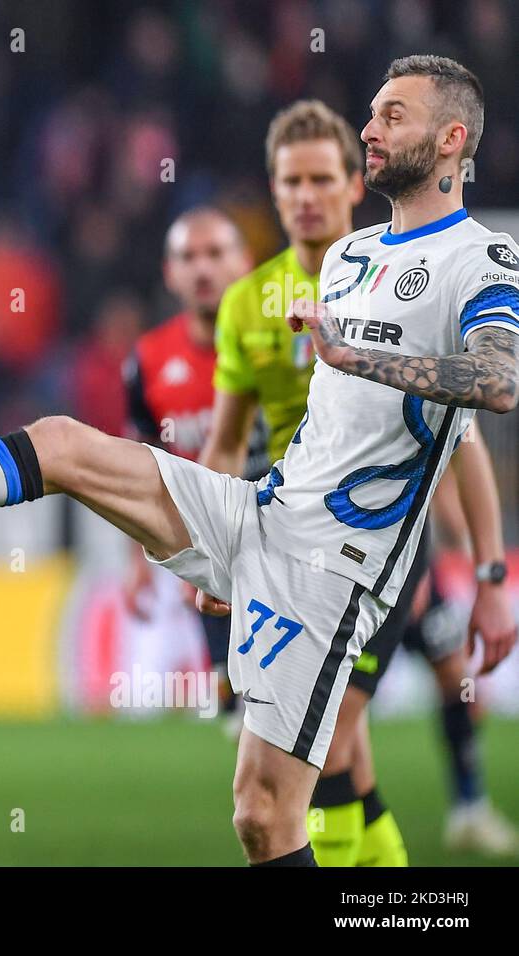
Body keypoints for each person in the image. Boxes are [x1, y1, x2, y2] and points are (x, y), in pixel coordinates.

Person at [0, 55, 519, 865]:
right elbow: (326, 434)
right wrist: (235, 555)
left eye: (394, 115)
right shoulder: (351, 259)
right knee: (67, 442)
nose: (372, 128)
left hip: (336, 572)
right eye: (374, 111)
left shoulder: (481, 260)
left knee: (264, 817)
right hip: (265, 517)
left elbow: (499, 380)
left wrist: (363, 362)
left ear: (452, 139)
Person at [200, 97, 517, 865]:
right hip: (286, 544)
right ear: (273, 192)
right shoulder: (246, 304)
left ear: (351, 184)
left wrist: (489, 569)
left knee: (329, 745)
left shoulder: (401, 277)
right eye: (288, 182)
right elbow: (225, 440)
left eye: (319, 180)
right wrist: (215, 548)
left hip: (374, 553)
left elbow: (465, 434)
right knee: (347, 761)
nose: (304, 198)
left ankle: (462, 809)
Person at [119, 207, 258, 723]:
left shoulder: (280, 343)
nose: (202, 269)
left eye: (215, 254)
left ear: (244, 262)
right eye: (188, 257)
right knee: (236, 713)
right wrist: (139, 563)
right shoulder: (148, 360)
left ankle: (468, 800)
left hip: (288, 540)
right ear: (169, 273)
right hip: (205, 556)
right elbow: (142, 465)